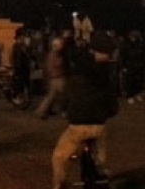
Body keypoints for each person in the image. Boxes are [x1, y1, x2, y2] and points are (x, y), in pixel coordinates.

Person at [51, 31, 119, 189]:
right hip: (98, 125)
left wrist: (65, 109)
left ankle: (59, 184)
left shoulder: (79, 70)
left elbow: (68, 94)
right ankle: (102, 170)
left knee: (59, 156)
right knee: (101, 155)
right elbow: (113, 104)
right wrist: (108, 112)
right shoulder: (107, 74)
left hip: (78, 125)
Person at [35, 37, 67, 119]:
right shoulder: (54, 54)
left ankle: (41, 111)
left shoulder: (53, 54)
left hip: (55, 77)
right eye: (61, 45)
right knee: (64, 95)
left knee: (51, 96)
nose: (62, 46)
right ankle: (63, 111)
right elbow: (56, 64)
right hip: (57, 77)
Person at [11, 29, 33, 100]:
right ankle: (17, 97)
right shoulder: (16, 46)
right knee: (18, 84)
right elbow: (15, 58)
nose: (23, 38)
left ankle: (25, 98)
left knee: (26, 84)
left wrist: (28, 47)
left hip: (25, 68)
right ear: (19, 37)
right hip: (20, 68)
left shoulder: (24, 46)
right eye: (22, 36)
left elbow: (29, 55)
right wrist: (16, 67)